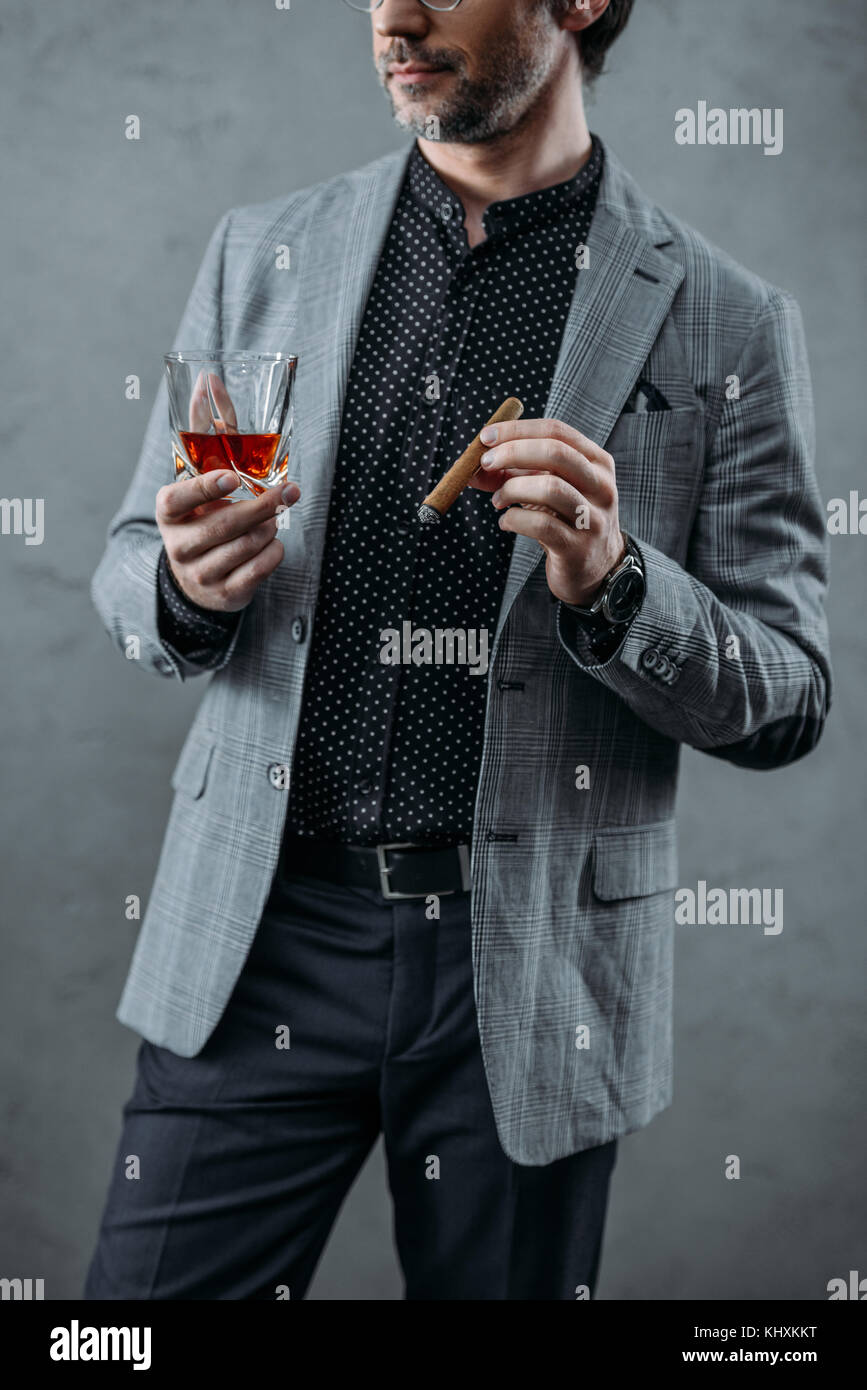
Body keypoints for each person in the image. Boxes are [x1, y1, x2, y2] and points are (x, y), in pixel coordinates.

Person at [84, 0, 831, 1301]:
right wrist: (184, 586)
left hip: (532, 967)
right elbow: (129, 558)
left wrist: (617, 584)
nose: (395, 15)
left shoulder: (729, 322)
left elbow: (789, 689)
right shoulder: (260, 254)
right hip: (260, 930)